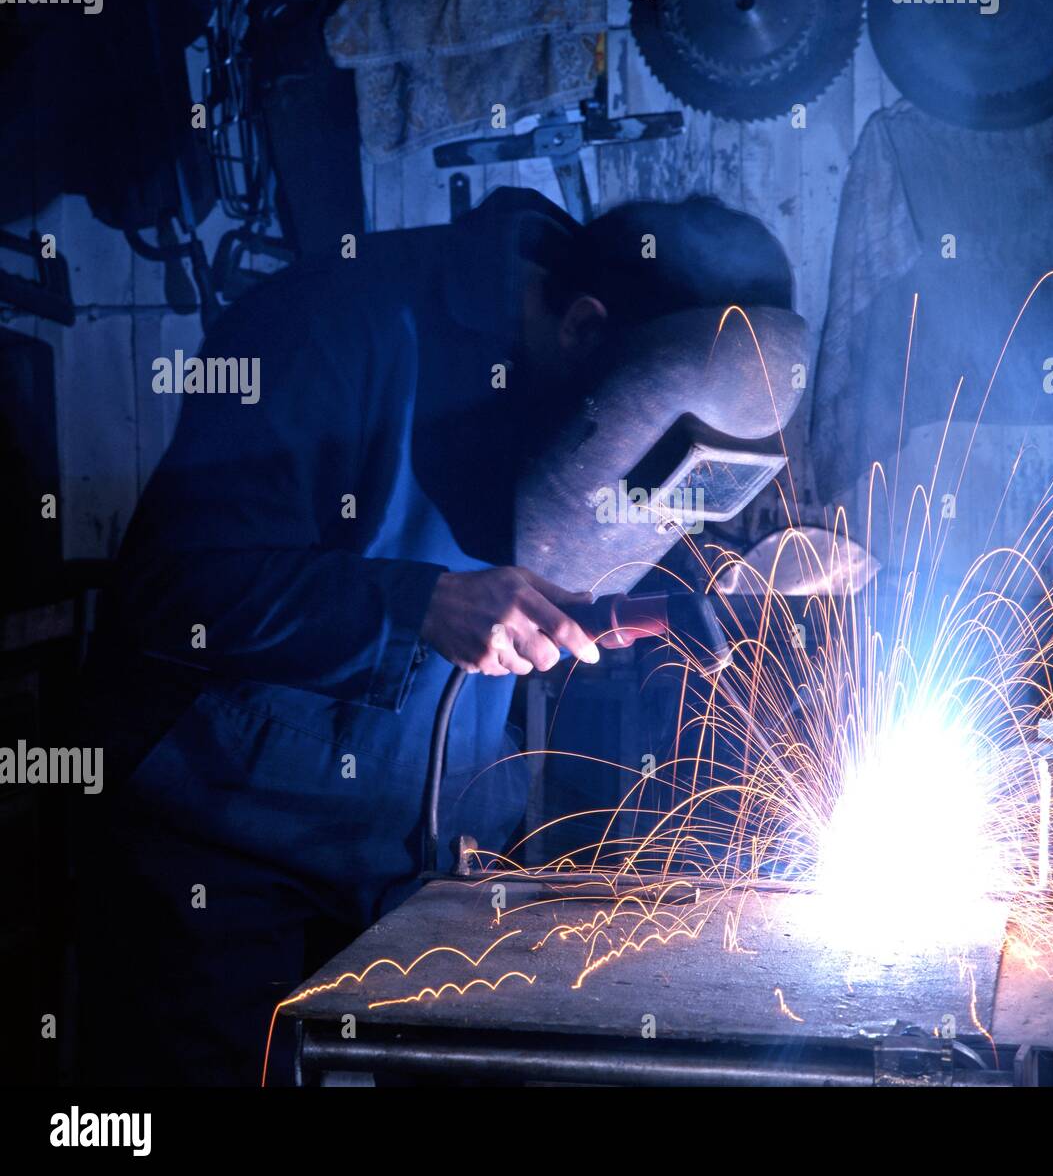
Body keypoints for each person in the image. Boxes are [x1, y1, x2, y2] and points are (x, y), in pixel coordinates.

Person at [74, 188, 796, 1085]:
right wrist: (416, 604)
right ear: (582, 326)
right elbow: (169, 589)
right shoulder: (333, 322)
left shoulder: (572, 378)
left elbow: (596, 526)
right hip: (223, 841)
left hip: (422, 861)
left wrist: (665, 592)